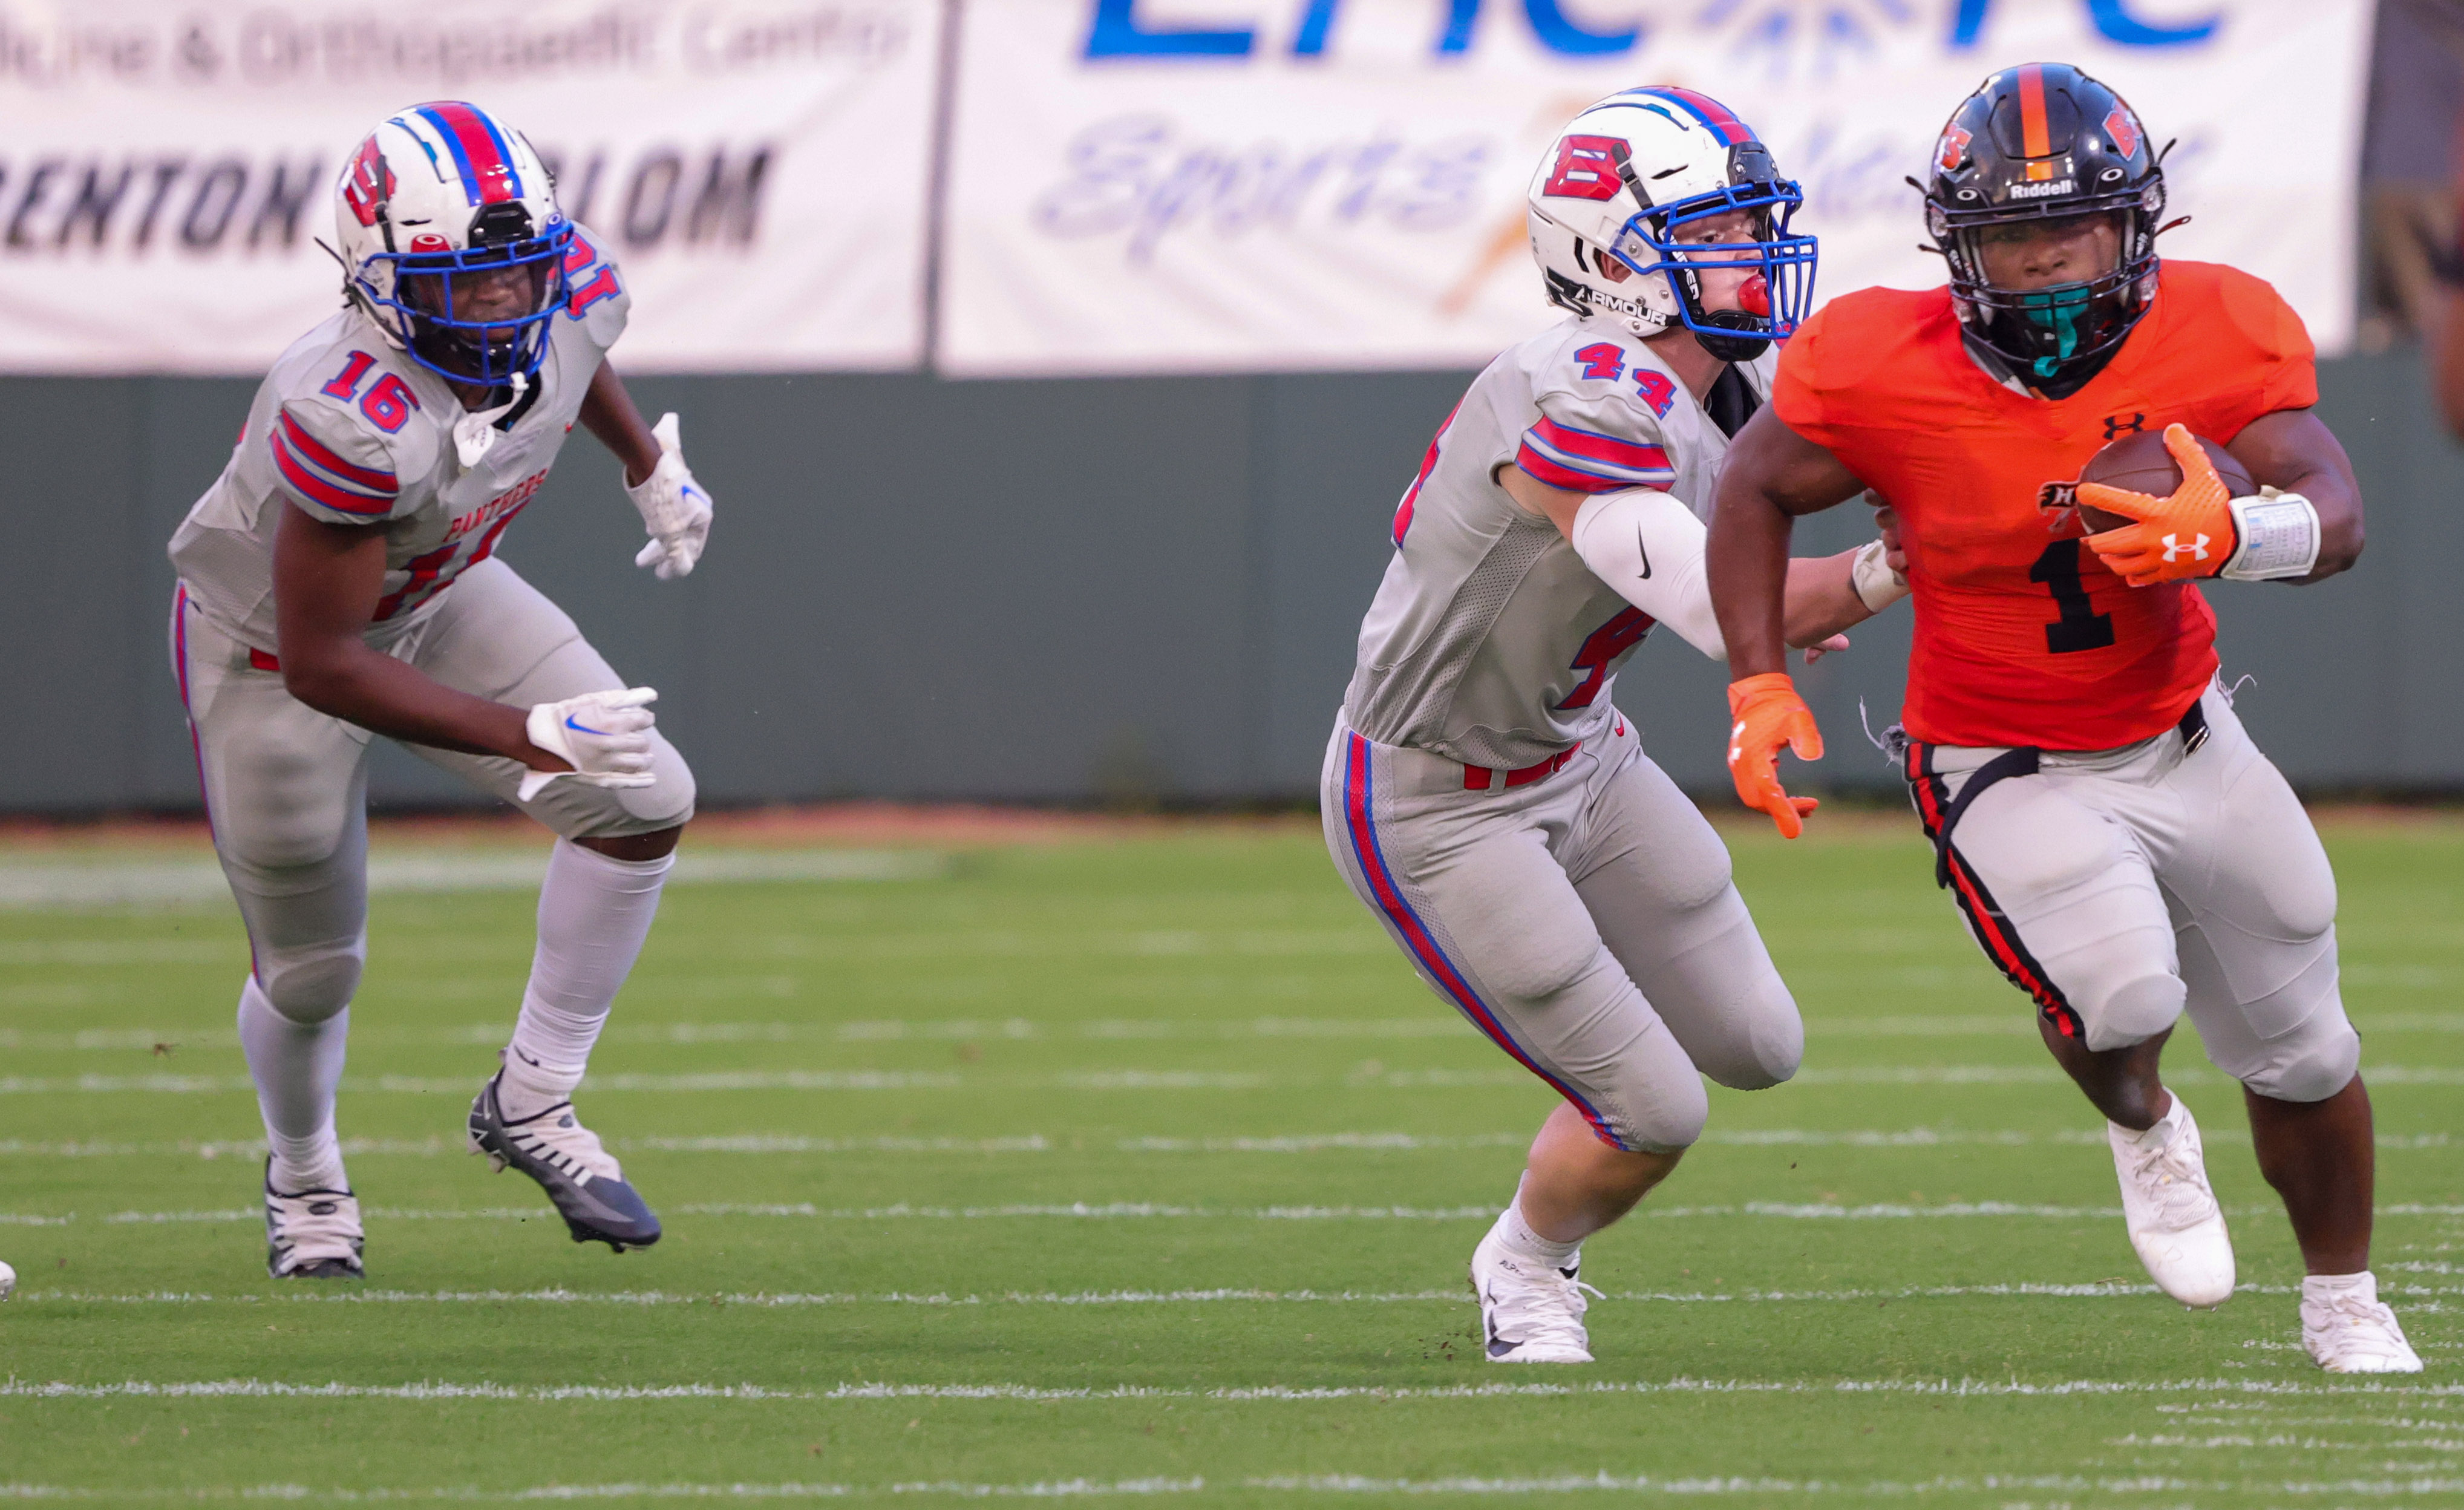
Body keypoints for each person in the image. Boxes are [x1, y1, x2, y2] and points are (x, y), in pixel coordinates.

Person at [1707, 64, 2419, 1373]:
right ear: (1958, 248)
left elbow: (2338, 511)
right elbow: (1752, 491)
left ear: (2135, 226)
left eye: (2074, 231)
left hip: (2186, 731)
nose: (2048, 266)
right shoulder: (1878, 362)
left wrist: (2239, 532)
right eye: (2015, 238)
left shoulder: (2221, 327)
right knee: (2124, 991)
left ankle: (2345, 1303)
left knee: (2308, 1046)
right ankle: (2144, 1126)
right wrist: (1759, 676)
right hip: (1999, 757)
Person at [1322, 88, 1907, 1364]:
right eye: (1721, 229)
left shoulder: (1731, 385)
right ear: (1615, 255)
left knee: (1761, 1044)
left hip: (1580, 753)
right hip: (1435, 796)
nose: (1755, 256)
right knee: (1651, 1106)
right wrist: (1886, 560)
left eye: (1755, 227)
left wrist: (1901, 551)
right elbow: (1717, 607)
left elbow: (1770, 595)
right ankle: (1527, 1265)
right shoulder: (1575, 389)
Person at [166, 102, 716, 1278]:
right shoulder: (347, 412)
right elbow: (325, 663)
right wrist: (526, 733)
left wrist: (645, 460)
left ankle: (532, 1101)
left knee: (644, 798)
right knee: (316, 972)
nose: (506, 309)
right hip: (272, 657)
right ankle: (305, 1169)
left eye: (518, 280)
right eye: (469, 290)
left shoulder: (557, 289)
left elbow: (575, 347)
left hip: (441, 591)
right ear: (378, 276)